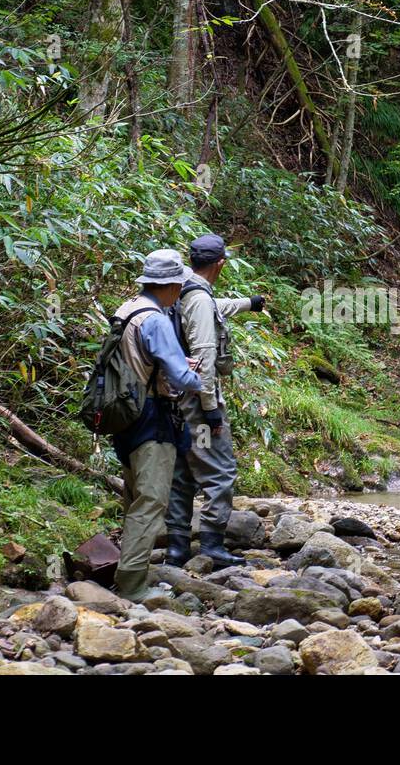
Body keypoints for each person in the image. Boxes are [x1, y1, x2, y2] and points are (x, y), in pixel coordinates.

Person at [164, 234, 267, 568]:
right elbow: (205, 360)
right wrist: (211, 413)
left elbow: (214, 307)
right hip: (197, 403)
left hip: (173, 399)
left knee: (182, 473)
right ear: (220, 264)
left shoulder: (181, 288)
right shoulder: (197, 299)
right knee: (219, 470)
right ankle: (211, 545)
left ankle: (177, 548)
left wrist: (249, 303)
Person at [111, 249, 203, 602]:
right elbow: (179, 376)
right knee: (150, 501)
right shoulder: (157, 320)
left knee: (134, 497)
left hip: (126, 415)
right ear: (172, 285)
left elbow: (140, 359)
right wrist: (197, 378)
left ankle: (130, 569)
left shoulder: (127, 310)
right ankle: (133, 584)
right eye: (179, 285)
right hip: (153, 418)